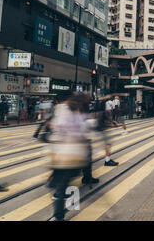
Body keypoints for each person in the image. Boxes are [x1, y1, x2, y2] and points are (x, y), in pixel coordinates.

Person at [48, 93, 93, 221]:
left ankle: (58, 215)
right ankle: (58, 213)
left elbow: (59, 127)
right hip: (76, 155)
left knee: (60, 187)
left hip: (62, 154)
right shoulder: (80, 112)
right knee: (62, 184)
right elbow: (84, 132)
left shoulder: (62, 109)